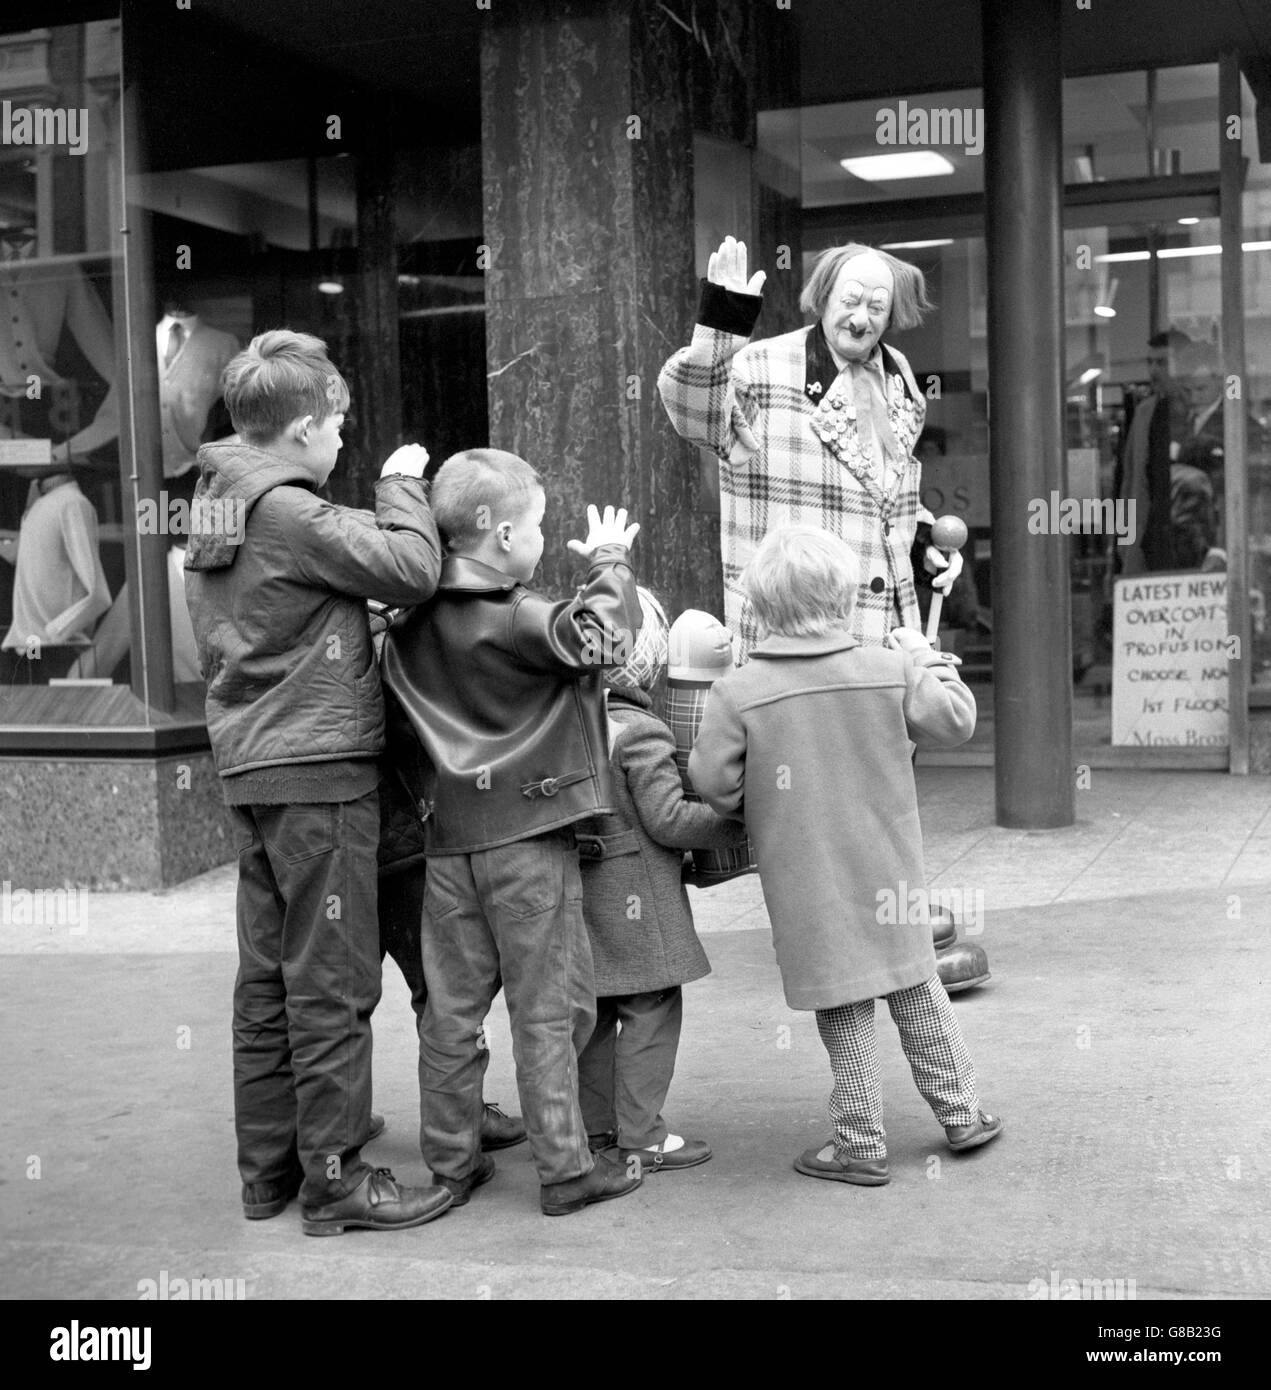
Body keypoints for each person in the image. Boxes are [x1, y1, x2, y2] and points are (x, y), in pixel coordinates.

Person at [183, 329, 452, 1235]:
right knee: (331, 981)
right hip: (318, 766)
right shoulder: (290, 512)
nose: (343, 441)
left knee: (267, 977)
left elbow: (281, 606)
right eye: (337, 426)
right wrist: (402, 482)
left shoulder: (218, 503)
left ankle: (271, 1172)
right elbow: (413, 568)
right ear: (301, 428)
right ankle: (337, 1181)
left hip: (252, 759)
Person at [688, 526, 1002, 1185]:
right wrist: (924, 657)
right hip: (889, 872)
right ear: (844, 598)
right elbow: (955, 721)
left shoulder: (739, 692)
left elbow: (714, 786)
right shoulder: (885, 670)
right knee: (917, 987)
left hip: (809, 883)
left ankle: (860, 1144)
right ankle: (962, 1110)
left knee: (845, 1005)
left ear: (760, 606)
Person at [380, 449, 647, 1216]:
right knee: (550, 1009)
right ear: (499, 535)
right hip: (528, 839)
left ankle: (451, 1163)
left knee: (450, 1013)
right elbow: (602, 640)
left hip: (446, 843)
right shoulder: (521, 617)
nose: (540, 539)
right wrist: (607, 563)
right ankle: (564, 1170)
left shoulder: (407, 627)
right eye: (534, 527)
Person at [657, 235, 962, 662]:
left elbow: (886, 493)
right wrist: (720, 333)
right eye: (850, 301)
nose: (861, 319)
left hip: (886, 641)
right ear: (823, 297)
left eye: (876, 307)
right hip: (792, 637)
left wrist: (921, 543)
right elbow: (698, 416)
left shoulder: (900, 377)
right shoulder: (763, 366)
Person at [574, 588, 748, 1173]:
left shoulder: (566, 722)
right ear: (649, 661)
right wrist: (738, 824)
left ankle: (595, 1130)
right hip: (638, 903)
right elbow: (670, 819)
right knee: (650, 1010)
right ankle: (643, 1136)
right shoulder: (641, 732)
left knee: (594, 1015)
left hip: (581, 895)